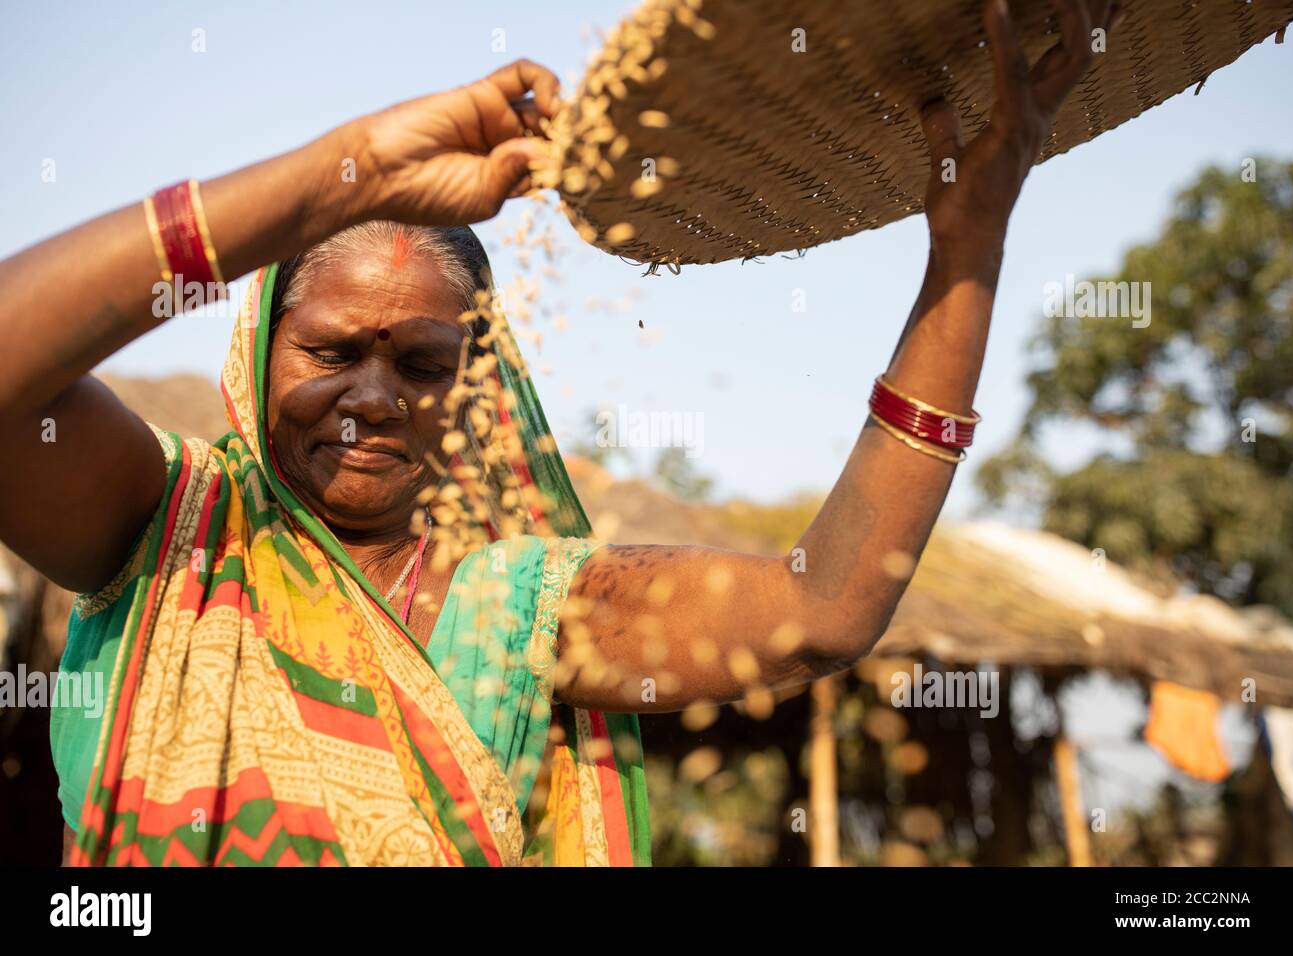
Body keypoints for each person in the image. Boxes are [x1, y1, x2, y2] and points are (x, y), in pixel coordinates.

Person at [0, 0, 1117, 865]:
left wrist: (965, 251)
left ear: (476, 383)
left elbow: (821, 606)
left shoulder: (521, 605)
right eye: (333, 351)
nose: (378, 395)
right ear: (257, 352)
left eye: (424, 363)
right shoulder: (170, 530)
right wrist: (326, 181)